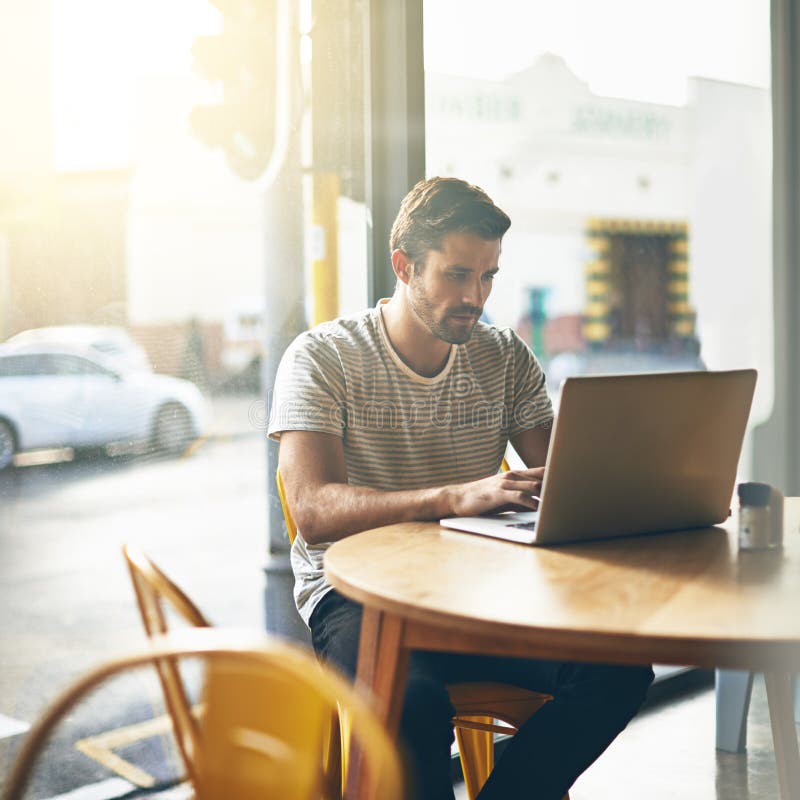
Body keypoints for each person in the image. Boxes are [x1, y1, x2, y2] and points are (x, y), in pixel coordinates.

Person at [268, 177, 654, 799]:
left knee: (619, 672)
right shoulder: (322, 358)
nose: (475, 297)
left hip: (481, 594)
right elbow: (313, 511)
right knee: (410, 704)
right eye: (456, 275)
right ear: (404, 266)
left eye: (488, 276)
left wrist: (651, 483)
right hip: (358, 598)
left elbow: (564, 479)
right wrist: (451, 497)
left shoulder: (502, 355)